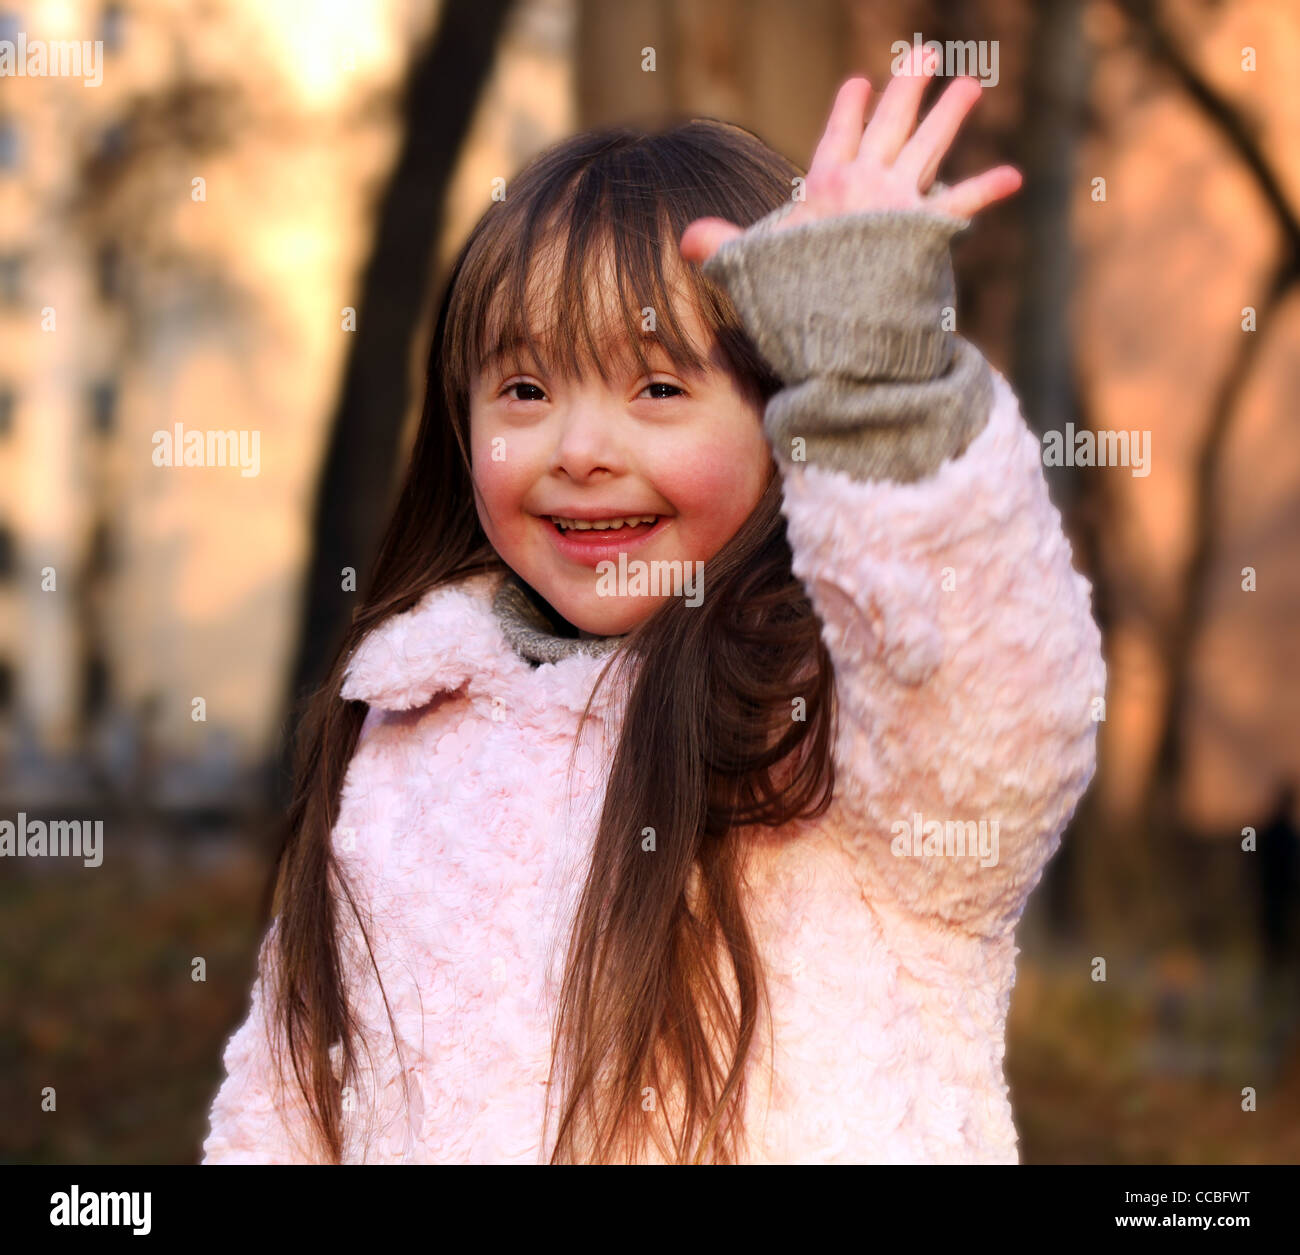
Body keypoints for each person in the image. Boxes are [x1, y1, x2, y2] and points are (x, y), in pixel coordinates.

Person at [201, 49, 1105, 1164]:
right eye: (525, 389)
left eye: (659, 388)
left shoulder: (846, 719)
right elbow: (289, 1109)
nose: (581, 450)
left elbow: (997, 695)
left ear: (783, 416)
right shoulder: (402, 731)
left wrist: (874, 376)